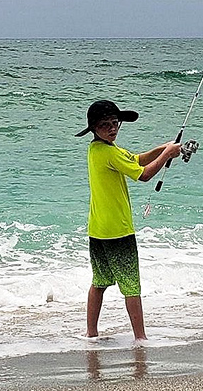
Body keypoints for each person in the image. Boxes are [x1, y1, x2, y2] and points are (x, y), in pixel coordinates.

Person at [76, 100, 182, 342]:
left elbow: (137, 159)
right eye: (105, 125)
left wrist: (163, 148)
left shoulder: (97, 150)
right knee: (132, 286)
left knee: (100, 282)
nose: (112, 129)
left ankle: (91, 334)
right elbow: (144, 175)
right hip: (118, 231)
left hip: (98, 230)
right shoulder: (109, 153)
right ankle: (141, 338)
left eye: (115, 123)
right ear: (94, 128)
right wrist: (167, 154)